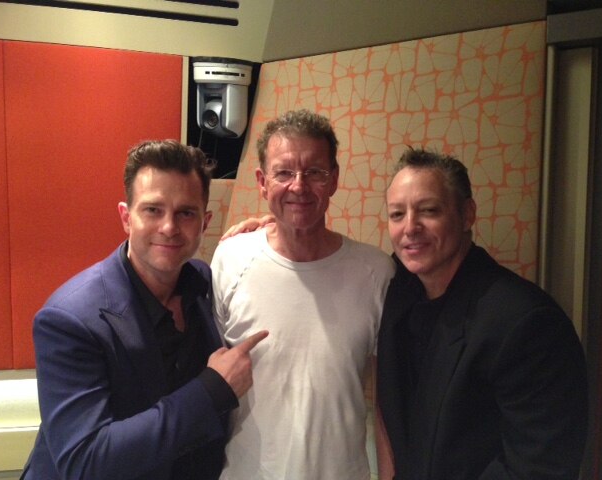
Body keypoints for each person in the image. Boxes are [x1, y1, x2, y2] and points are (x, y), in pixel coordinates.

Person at [21, 140, 268, 480]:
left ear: (204, 222)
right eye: (153, 210)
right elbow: (85, 462)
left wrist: (266, 237)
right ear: (126, 217)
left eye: (186, 213)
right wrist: (211, 391)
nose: (169, 227)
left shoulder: (202, 281)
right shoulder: (69, 318)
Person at [375, 147, 588, 480]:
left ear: (467, 214)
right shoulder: (396, 296)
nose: (410, 227)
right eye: (397, 214)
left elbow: (539, 469)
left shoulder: (527, 322)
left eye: (429, 210)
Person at [211, 109, 396, 479]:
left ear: (334, 179)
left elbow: (389, 401)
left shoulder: (376, 272)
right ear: (262, 182)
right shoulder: (231, 258)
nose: (298, 186)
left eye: (314, 172)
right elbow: (208, 379)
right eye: (283, 172)